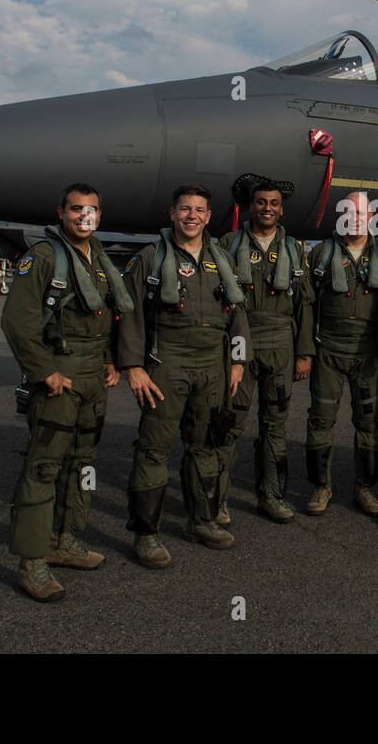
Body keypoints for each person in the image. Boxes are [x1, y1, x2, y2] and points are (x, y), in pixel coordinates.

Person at [1, 183, 131, 601]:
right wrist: (44, 372)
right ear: (61, 213)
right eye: (76, 209)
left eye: (92, 209)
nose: (84, 216)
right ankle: (33, 562)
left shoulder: (98, 261)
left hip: (94, 377)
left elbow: (106, 316)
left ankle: (65, 541)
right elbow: (18, 323)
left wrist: (111, 359)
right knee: (44, 468)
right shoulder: (43, 258)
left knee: (81, 465)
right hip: (60, 377)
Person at [118, 184, 250, 564]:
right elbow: (129, 312)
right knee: (154, 450)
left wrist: (237, 362)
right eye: (185, 209)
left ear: (209, 216)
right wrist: (134, 366)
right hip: (167, 364)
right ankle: (146, 534)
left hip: (213, 366)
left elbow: (238, 313)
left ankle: (202, 520)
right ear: (172, 213)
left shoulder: (221, 258)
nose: (192, 215)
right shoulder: (150, 258)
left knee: (205, 446)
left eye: (199, 210)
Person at [216, 182, 314, 523]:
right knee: (230, 422)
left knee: (276, 427)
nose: (267, 208)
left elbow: (305, 304)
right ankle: (217, 501)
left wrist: (305, 353)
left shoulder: (295, 249)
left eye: (274, 203)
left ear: (281, 209)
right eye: (261, 202)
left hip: (282, 344)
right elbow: (220, 302)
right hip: (242, 341)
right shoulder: (229, 245)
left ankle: (272, 496)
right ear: (251, 206)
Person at [303, 191, 378, 516]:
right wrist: (305, 351)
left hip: (369, 353)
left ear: (372, 218)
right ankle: (321, 486)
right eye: (348, 213)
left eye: (361, 213)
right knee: (321, 420)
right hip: (328, 350)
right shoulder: (320, 255)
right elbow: (305, 305)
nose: (355, 219)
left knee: (368, 422)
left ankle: (365, 487)